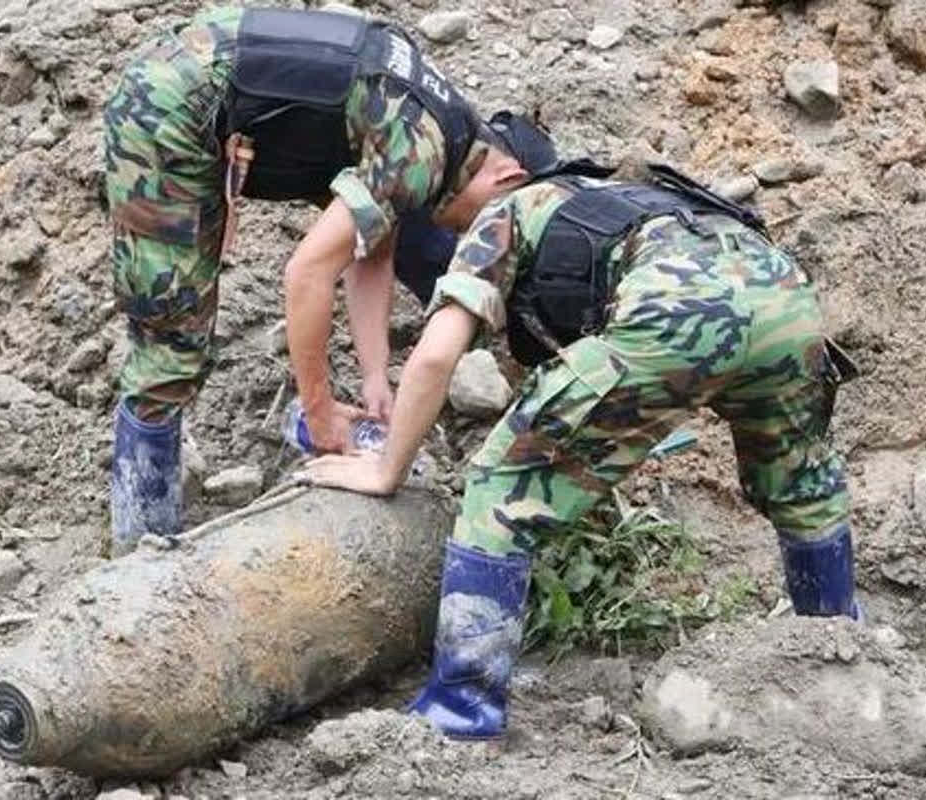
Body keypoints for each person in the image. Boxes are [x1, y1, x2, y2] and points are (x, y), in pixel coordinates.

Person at [304, 163, 861, 739]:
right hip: (785, 295)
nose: (447, 218)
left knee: (504, 482)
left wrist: (387, 468)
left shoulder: (505, 214)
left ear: (505, 175)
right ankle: (840, 652)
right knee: (801, 484)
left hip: (673, 307)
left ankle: (462, 708)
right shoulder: (627, 197)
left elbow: (436, 356)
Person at [104, 5, 556, 553]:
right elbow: (306, 273)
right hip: (168, 105)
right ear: (508, 176)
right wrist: (318, 411)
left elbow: (373, 252)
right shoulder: (425, 151)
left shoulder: (443, 127)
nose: (480, 236)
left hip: (205, 73)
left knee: (183, 332)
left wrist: (375, 379)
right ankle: (138, 544)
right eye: (496, 221)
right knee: (172, 341)